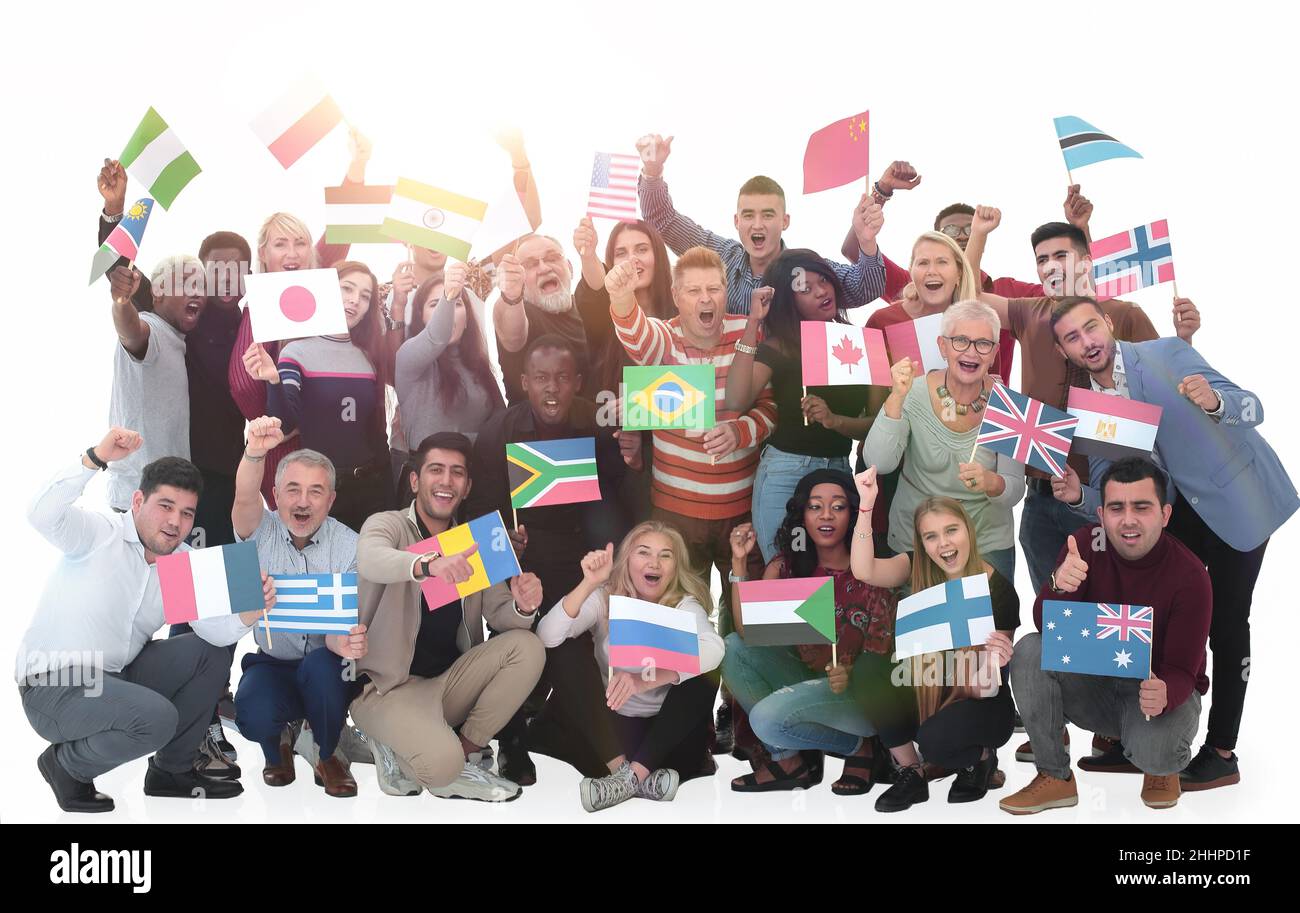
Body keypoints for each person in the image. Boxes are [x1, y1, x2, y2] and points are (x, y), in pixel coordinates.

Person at [1048, 296, 1297, 791]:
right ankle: (1134, 736)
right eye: (1072, 338)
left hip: (1236, 501)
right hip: (1171, 515)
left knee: (1226, 621)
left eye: (1090, 327)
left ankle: (1222, 750)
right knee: (1144, 611)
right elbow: (1111, 484)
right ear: (1064, 351)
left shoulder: (1165, 353)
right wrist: (1081, 495)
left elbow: (1255, 407)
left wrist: (1215, 401)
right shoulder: (1091, 408)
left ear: (1107, 323)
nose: (1087, 341)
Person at [17, 429, 274, 812]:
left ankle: (171, 772)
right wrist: (94, 458)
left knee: (211, 653)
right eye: (165, 506)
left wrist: (246, 616)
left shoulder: (183, 563)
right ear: (137, 501)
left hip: (116, 680)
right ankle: (65, 766)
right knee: (157, 718)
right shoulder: (99, 533)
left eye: (187, 513)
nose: (175, 522)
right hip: (56, 684)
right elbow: (41, 513)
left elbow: (215, 635)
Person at [967, 207, 1201, 596]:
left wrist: (1185, 340)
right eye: (1042, 260)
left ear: (1086, 262)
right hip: (1041, 490)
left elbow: (1168, 382)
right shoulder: (1030, 310)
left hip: (1102, 494)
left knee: (1111, 606)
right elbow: (972, 299)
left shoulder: (1123, 315)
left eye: (1061, 255)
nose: (1051, 266)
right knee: (1055, 608)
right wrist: (979, 234)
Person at [607, 246, 777, 750]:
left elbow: (772, 408)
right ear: (677, 297)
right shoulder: (665, 338)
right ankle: (693, 730)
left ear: (728, 292)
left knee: (746, 620)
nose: (707, 300)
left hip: (741, 511)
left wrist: (742, 431)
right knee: (683, 624)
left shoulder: (752, 331)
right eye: (694, 291)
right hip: (676, 513)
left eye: (715, 289)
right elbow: (635, 332)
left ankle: (746, 723)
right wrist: (620, 298)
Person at [466, 333, 642, 783]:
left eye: (562, 379)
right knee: (517, 643)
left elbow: (617, 495)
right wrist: (507, 551)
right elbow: (480, 515)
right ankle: (512, 742)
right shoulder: (496, 432)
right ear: (524, 381)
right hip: (522, 561)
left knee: (570, 648)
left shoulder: (594, 424)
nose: (551, 389)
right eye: (541, 378)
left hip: (581, 557)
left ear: (577, 382)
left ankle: (563, 729)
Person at [1001, 458, 1213, 813]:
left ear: (1165, 514)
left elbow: (1183, 671)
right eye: (1117, 508)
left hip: (1154, 692)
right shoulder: (1084, 545)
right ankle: (1055, 776)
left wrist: (1165, 693)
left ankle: (1160, 768)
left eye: (1141, 507)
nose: (1128, 520)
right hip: (1096, 686)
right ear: (1101, 514)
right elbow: (1048, 629)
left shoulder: (1190, 576)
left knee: (1156, 753)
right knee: (1030, 650)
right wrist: (1058, 585)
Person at [351, 432, 546, 801]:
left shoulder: (473, 540)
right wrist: (427, 565)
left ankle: (467, 750)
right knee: (440, 769)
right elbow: (370, 558)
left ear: (467, 486)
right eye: (435, 470)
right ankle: (389, 742)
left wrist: (523, 605)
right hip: (386, 690)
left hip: (447, 685)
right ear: (414, 480)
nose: (446, 481)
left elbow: (502, 617)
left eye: (457, 473)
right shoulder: (388, 524)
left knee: (528, 645)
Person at [850, 468, 1018, 811]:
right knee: (868, 670)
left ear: (968, 532)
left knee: (936, 742)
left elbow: (985, 682)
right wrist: (866, 506)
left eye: (951, 530)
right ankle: (911, 771)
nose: (943, 543)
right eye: (931, 536)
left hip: (978, 699)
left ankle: (981, 759)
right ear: (921, 543)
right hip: (927, 685)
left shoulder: (997, 589)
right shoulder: (914, 567)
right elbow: (864, 570)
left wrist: (997, 657)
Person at [723, 470, 898, 795]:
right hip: (805, 681)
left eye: (838, 506)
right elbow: (748, 633)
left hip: (857, 694)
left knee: (766, 720)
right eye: (816, 506)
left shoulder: (871, 569)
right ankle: (787, 760)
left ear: (853, 513)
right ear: (802, 514)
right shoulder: (786, 566)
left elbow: (884, 661)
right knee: (732, 648)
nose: (826, 515)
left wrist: (851, 673)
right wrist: (739, 565)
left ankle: (863, 746)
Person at [533, 522, 724, 812]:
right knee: (565, 650)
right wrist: (589, 583)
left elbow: (715, 649)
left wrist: (644, 680)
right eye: (644, 553)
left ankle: (631, 777)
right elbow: (548, 636)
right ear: (627, 561)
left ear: (675, 567)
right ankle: (627, 775)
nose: (654, 563)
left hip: (661, 737)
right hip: (608, 735)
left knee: (703, 676)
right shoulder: (606, 597)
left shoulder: (683, 605)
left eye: (665, 555)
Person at [230, 417, 367, 797]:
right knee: (252, 713)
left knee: (324, 669)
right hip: (274, 662)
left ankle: (327, 753)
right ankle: (278, 748)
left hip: (326, 661)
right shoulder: (261, 531)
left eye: (315, 491)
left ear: (331, 499)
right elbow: (244, 497)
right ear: (275, 495)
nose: (302, 501)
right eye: (293, 489)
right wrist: (255, 452)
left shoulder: (350, 546)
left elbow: (348, 622)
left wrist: (343, 642)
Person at [634, 131, 887, 315]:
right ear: (736, 221)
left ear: (785, 221)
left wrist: (866, 242)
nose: (757, 225)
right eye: (748, 215)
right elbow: (662, 221)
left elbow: (865, 287)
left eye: (767, 215)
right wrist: (652, 172)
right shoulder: (719, 256)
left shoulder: (806, 269)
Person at [862, 299, 1026, 582]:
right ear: (942, 346)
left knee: (993, 626)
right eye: (961, 340)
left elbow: (1014, 491)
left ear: (995, 352)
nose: (971, 352)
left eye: (983, 344)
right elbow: (879, 463)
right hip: (916, 541)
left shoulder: (1010, 406)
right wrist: (896, 398)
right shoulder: (911, 391)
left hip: (984, 545)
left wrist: (992, 483)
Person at [726, 250, 873, 562]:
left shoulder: (858, 342)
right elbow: (737, 399)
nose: (821, 291)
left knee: (832, 578)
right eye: (805, 289)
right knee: (784, 576)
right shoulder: (779, 346)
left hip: (838, 471)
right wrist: (754, 322)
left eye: (823, 280)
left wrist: (835, 421)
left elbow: (874, 423)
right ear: (788, 302)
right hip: (785, 473)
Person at [243, 261, 393, 532]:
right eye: (347, 288)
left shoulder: (369, 356)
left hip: (373, 490)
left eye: (364, 296)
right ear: (325, 291)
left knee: (369, 574)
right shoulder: (295, 353)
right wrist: (274, 379)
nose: (354, 300)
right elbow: (285, 425)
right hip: (324, 493)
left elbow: (376, 430)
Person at [104, 257, 206, 512]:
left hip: (166, 501)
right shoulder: (154, 329)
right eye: (186, 283)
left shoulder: (175, 338)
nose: (196, 292)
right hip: (138, 503)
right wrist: (122, 302)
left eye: (201, 286)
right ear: (157, 291)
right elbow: (131, 332)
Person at [392, 262, 504, 489]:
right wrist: (450, 295)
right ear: (421, 317)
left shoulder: (480, 368)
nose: (450, 308)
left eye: (458, 303)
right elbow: (437, 337)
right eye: (436, 303)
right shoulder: (409, 358)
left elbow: (499, 427)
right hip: (427, 485)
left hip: (474, 481)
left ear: (468, 320)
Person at [572, 216, 677, 397]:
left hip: (676, 422)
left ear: (658, 254)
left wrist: (640, 404)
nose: (632, 259)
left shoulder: (682, 309)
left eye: (642, 249)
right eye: (621, 253)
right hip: (610, 421)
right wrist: (588, 255)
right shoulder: (604, 310)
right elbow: (597, 285)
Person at [492, 234, 591, 406]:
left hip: (600, 427)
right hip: (536, 431)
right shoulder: (518, 310)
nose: (544, 268)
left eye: (552, 258)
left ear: (570, 267)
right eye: (530, 265)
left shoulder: (590, 309)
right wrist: (511, 296)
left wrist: (635, 427)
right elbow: (512, 334)